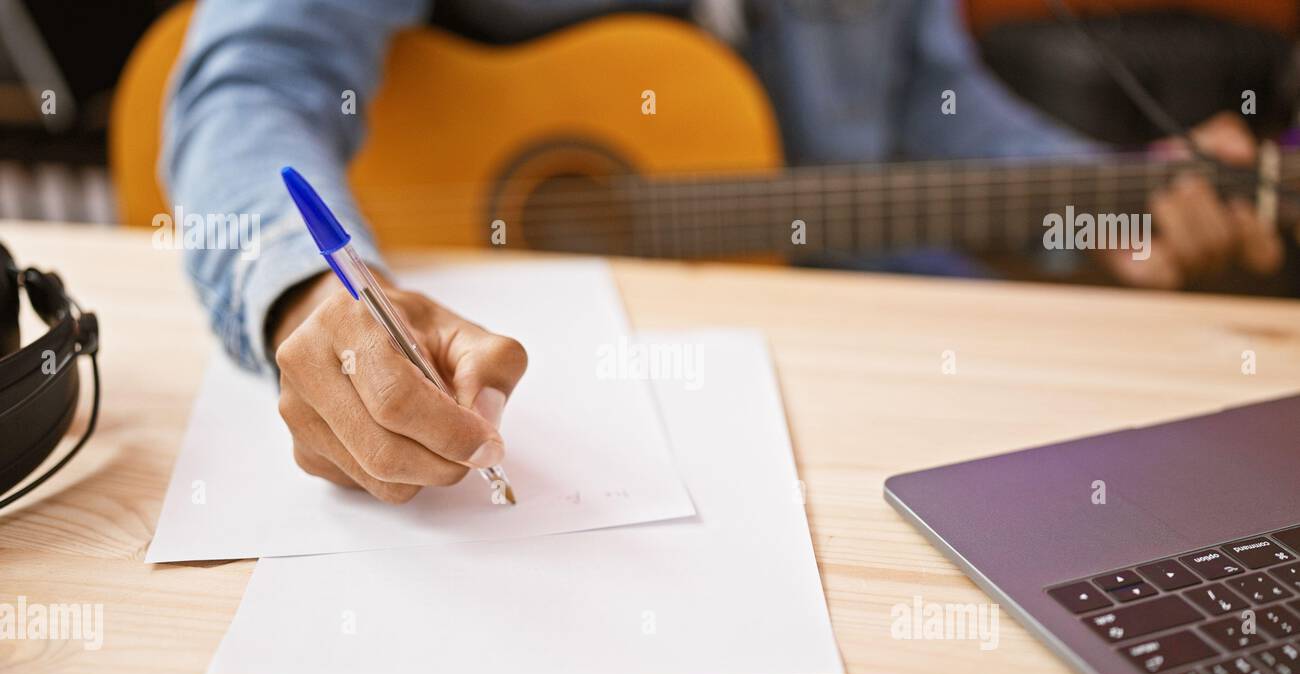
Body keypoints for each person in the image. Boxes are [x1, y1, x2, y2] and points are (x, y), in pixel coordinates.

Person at [163, 0, 1283, 502]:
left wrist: (1111, 203)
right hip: (540, 395)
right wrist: (313, 289)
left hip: (856, 382)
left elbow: (932, 105)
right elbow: (248, 83)